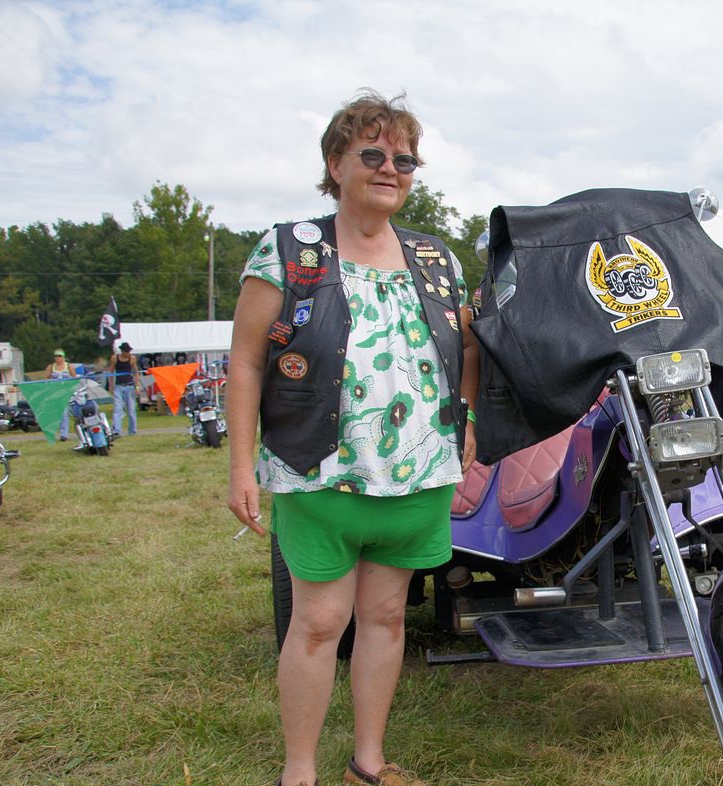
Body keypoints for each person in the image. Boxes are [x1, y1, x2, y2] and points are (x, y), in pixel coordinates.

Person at [226, 90, 478, 786]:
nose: (390, 168)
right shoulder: (287, 250)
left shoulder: (437, 258)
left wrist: (469, 420)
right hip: (318, 472)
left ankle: (368, 763)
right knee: (317, 623)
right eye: (373, 154)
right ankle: (299, 772)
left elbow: (466, 349)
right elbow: (246, 362)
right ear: (335, 164)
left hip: (417, 475)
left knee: (387, 617)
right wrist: (241, 466)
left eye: (405, 159)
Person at [45, 348, 78, 441]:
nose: (57, 358)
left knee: (64, 413)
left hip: (65, 392)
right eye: (55, 356)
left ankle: (64, 434)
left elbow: (75, 378)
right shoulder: (51, 367)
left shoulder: (69, 366)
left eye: (59, 356)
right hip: (55, 392)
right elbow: (46, 379)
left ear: (63, 357)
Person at [109, 342, 140, 436]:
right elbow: (111, 372)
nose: (128, 353)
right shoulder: (115, 358)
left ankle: (132, 430)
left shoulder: (132, 359)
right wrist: (111, 385)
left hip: (129, 386)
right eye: (127, 351)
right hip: (118, 386)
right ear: (122, 351)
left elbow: (136, 372)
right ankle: (117, 430)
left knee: (131, 410)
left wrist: (137, 386)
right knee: (117, 409)